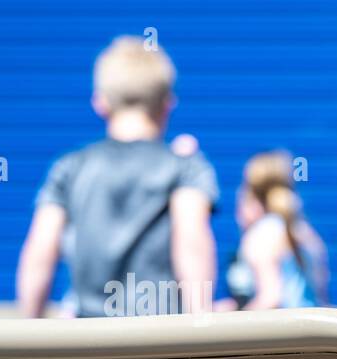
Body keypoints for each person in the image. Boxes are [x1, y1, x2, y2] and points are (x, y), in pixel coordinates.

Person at [16, 37, 218, 319]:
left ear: (100, 103)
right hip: (160, 339)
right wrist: (202, 324)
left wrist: (29, 329)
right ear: (167, 104)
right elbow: (192, 243)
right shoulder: (185, 167)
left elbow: (40, 252)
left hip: (89, 340)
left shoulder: (70, 167)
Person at [219, 151, 329, 310]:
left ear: (252, 196)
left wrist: (232, 323)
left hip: (287, 331)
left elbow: (271, 299)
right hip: (311, 329)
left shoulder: (262, 235)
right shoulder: (304, 232)